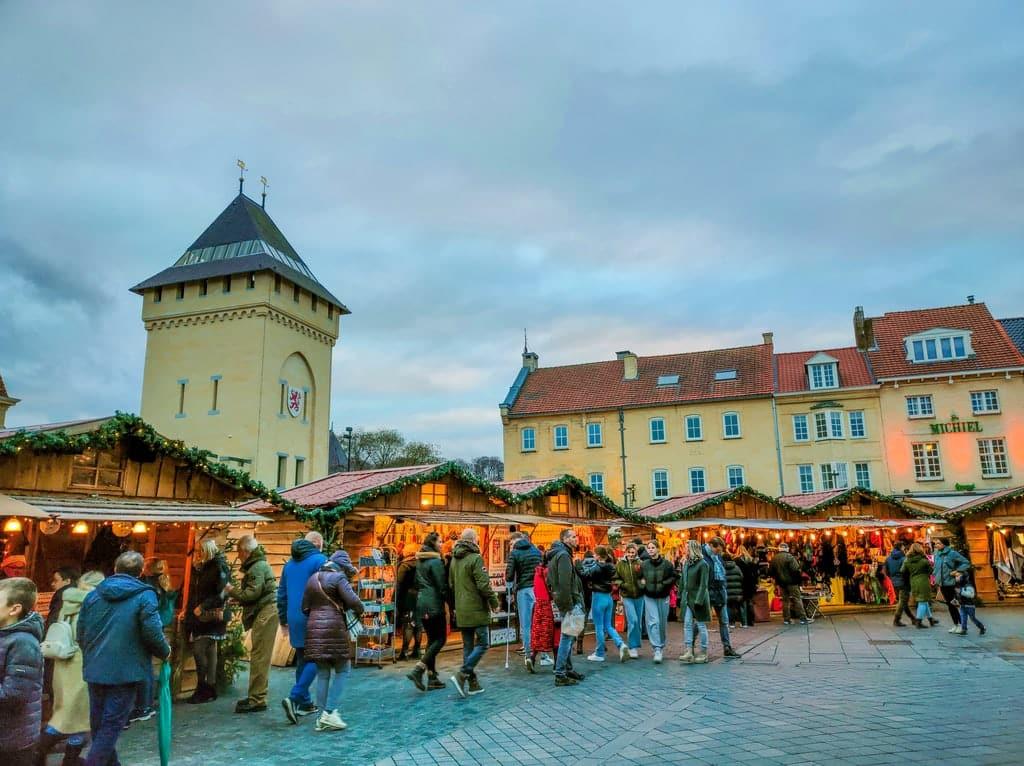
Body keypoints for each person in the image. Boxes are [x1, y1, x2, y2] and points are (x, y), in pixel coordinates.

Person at [77, 551, 170, 766]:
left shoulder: (93, 595)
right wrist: (165, 651)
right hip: (125, 671)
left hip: (95, 667)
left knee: (100, 725)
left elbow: (81, 631)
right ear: (139, 573)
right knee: (109, 726)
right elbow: (152, 632)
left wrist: (91, 655)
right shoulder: (145, 595)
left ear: (115, 569)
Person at [38, 570, 104, 766]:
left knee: (71, 717)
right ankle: (39, 754)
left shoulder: (69, 602)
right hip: (81, 668)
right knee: (71, 719)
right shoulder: (93, 605)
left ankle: (68, 759)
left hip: (64, 667)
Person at [301, 550, 364, 732]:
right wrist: (359, 610)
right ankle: (330, 712)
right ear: (342, 567)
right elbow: (354, 602)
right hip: (335, 630)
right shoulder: (338, 578)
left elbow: (304, 608)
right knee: (343, 669)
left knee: (323, 673)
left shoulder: (313, 578)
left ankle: (321, 718)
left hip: (314, 632)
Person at [279, 531, 328, 723]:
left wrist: (283, 619)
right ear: (317, 544)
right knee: (317, 658)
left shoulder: (289, 565)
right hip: (313, 615)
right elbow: (327, 589)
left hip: (294, 616)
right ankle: (294, 697)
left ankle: (305, 703)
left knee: (302, 658)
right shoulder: (320, 561)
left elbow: (281, 593)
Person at [226, 535, 278, 713]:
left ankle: (257, 699)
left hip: (265, 613)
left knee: (259, 657)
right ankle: (256, 696)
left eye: (239, 552)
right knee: (259, 655)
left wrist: (232, 591)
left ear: (246, 551)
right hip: (265, 611)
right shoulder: (259, 565)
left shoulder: (257, 567)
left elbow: (251, 594)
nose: (238, 556)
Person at [448, 529, 499, 698]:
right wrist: (494, 602)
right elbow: (484, 585)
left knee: (468, 646)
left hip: (462, 608)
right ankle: (462, 674)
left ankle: (473, 683)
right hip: (476, 607)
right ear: (473, 541)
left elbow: (451, 584)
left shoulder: (455, 560)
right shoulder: (476, 558)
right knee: (484, 643)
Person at [0, 577, 43, 766]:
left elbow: (14, 695)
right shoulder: (5, 635)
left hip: (11, 742)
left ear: (14, 609)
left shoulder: (23, 643)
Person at [183, 539, 229, 704]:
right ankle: (209, 688)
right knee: (209, 651)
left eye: (200, 551)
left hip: (209, 615)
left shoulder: (218, 567)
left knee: (200, 649)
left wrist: (203, 606)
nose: (197, 554)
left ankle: (203, 688)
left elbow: (222, 593)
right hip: (200, 616)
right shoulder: (201, 568)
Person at [406, 533, 448, 692]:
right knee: (441, 638)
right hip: (434, 603)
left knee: (431, 639)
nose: (442, 544)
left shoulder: (420, 561)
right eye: (440, 541)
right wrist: (449, 601)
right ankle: (419, 669)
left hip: (422, 602)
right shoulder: (435, 561)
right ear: (433, 544)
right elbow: (441, 585)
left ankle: (432, 677)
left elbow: (417, 582)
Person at [547, 528, 585, 686]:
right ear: (565, 539)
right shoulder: (563, 556)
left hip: (565, 600)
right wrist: (569, 604)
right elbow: (564, 583)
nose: (576, 539)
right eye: (573, 537)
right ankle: (560, 673)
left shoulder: (560, 554)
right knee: (567, 637)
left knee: (569, 635)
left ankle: (567, 668)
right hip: (569, 601)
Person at [505, 531, 543, 670]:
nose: (510, 546)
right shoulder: (536, 551)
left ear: (516, 541)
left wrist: (509, 590)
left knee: (526, 625)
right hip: (538, 589)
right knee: (539, 622)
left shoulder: (514, 553)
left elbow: (509, 574)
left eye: (510, 543)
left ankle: (528, 654)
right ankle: (543, 654)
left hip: (523, 590)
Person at [584, 546, 626, 663]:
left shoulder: (596, 567)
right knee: (608, 625)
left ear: (598, 555)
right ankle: (621, 644)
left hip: (598, 596)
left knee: (599, 626)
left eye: (594, 554)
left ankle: (599, 653)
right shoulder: (611, 566)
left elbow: (586, 575)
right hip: (608, 597)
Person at [704, 538, 741, 656]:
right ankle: (690, 645)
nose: (718, 553)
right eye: (717, 550)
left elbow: (722, 573)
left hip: (720, 592)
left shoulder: (718, 557)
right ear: (710, 545)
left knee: (724, 621)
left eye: (719, 551)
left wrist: (723, 586)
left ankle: (727, 647)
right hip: (708, 592)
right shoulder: (702, 555)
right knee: (702, 620)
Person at [639, 539, 675, 664]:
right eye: (648, 548)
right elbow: (640, 578)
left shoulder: (667, 564)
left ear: (658, 549)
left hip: (663, 596)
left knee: (662, 623)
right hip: (649, 596)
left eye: (653, 547)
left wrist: (663, 584)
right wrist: (643, 585)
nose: (650, 550)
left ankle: (661, 644)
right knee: (653, 621)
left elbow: (673, 577)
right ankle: (657, 649)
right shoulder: (644, 565)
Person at [679, 540, 711, 664]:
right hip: (687, 598)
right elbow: (683, 580)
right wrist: (680, 595)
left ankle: (703, 652)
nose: (684, 550)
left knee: (701, 625)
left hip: (699, 599)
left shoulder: (703, 564)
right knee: (687, 624)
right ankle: (689, 651)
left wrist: (698, 600)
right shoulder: (686, 563)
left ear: (692, 549)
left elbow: (704, 584)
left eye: (686, 548)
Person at [932, 537, 972, 632]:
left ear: (944, 544)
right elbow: (937, 568)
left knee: (952, 604)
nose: (936, 545)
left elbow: (966, 562)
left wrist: (957, 571)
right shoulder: (937, 554)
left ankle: (961, 625)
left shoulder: (952, 553)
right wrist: (935, 577)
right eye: (936, 543)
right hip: (942, 583)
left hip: (950, 583)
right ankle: (956, 624)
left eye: (938, 543)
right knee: (950, 605)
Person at [613, 542, 645, 658]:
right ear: (626, 552)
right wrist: (623, 584)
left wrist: (642, 584)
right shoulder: (620, 564)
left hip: (639, 596)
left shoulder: (640, 563)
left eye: (633, 552)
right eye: (629, 552)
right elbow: (615, 578)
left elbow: (643, 576)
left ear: (635, 553)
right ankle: (632, 647)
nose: (631, 554)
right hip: (627, 596)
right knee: (633, 621)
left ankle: (635, 646)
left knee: (638, 622)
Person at [526, 552, 556, 672]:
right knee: (554, 633)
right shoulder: (548, 572)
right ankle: (556, 663)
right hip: (549, 604)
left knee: (538, 632)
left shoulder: (538, 571)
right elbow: (552, 588)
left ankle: (532, 657)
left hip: (538, 604)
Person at [395, 543, 422, 661]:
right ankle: (417, 650)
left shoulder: (405, 566)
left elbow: (399, 585)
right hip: (421, 597)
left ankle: (404, 651)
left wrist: (395, 599)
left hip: (409, 597)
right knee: (418, 625)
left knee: (409, 624)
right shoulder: (422, 564)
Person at [770, 543, 809, 626]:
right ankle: (803, 618)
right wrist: (799, 582)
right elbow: (796, 570)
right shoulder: (790, 557)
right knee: (797, 599)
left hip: (781, 583)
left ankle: (786, 619)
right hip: (792, 582)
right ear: (787, 549)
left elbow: (771, 572)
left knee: (785, 601)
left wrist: (777, 581)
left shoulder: (774, 558)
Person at [902, 543, 937, 629]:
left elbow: (902, 570)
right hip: (923, 581)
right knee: (922, 601)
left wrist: (911, 573)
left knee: (924, 600)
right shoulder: (924, 560)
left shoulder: (907, 560)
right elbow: (931, 571)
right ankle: (919, 621)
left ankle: (930, 619)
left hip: (913, 581)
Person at [885, 542, 915, 627]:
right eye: (903, 547)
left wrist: (892, 577)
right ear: (901, 547)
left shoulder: (888, 558)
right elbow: (906, 571)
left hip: (894, 582)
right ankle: (896, 619)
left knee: (903, 601)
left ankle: (913, 618)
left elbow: (886, 571)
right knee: (903, 601)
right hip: (904, 581)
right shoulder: (904, 558)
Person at [734, 546, 758, 627]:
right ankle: (751, 620)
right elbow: (755, 574)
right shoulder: (750, 560)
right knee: (750, 602)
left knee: (742, 603)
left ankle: (743, 621)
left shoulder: (736, 561)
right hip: (750, 584)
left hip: (741, 584)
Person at [722, 551, 743, 629]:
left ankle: (731, 623)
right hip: (737, 590)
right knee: (737, 606)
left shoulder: (723, 568)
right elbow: (741, 577)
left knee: (728, 606)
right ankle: (742, 622)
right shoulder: (736, 567)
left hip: (727, 590)